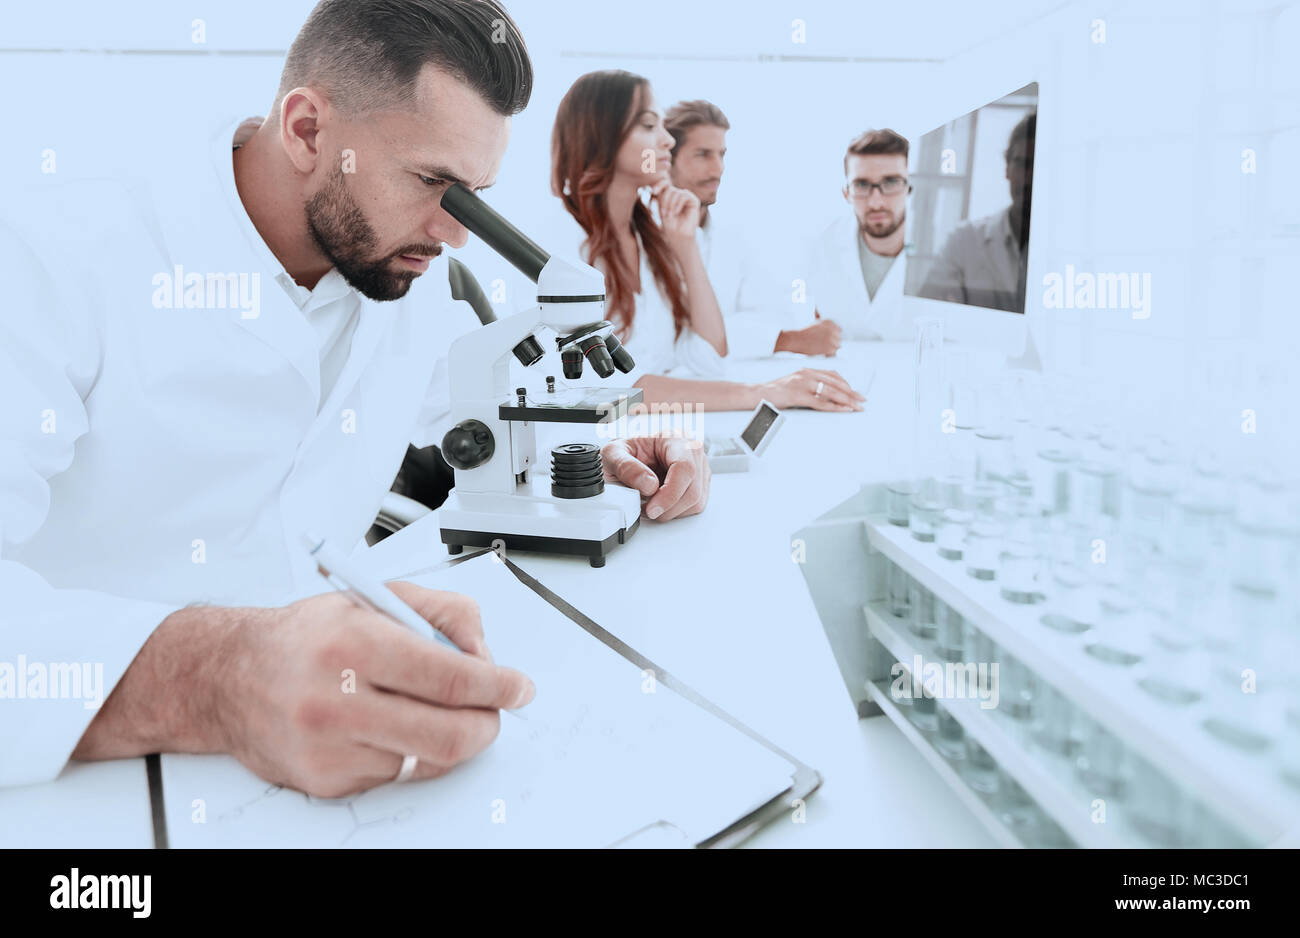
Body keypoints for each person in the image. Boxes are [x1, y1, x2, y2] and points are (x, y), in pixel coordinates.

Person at [0, 0, 712, 796]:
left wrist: (604, 451)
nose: (456, 235)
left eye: (475, 195)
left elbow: (473, 415)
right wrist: (218, 681)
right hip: (83, 787)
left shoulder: (405, 271)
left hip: (327, 760)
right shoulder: (49, 254)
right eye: (434, 182)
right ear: (307, 131)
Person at [549, 70, 864, 413]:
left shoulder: (646, 239)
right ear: (603, 135)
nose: (667, 140)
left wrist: (686, 249)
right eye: (649, 125)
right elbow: (606, 388)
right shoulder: (562, 243)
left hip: (652, 431)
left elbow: (709, 354)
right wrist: (763, 392)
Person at [662, 99, 837, 359]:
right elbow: (666, 335)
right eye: (703, 154)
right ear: (668, 159)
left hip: (724, 381)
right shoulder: (640, 234)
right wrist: (781, 341)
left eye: (721, 154)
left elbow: (771, 314)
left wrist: (773, 337)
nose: (717, 169)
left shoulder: (733, 238)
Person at [919, 111, 1036, 313]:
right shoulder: (965, 240)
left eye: (1036, 165)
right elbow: (926, 310)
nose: (1028, 178)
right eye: (1021, 163)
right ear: (1007, 168)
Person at [806, 128, 913, 342]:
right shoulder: (821, 246)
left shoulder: (943, 250)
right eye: (862, 185)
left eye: (891, 182)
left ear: (908, 187)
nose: (876, 202)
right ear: (846, 193)